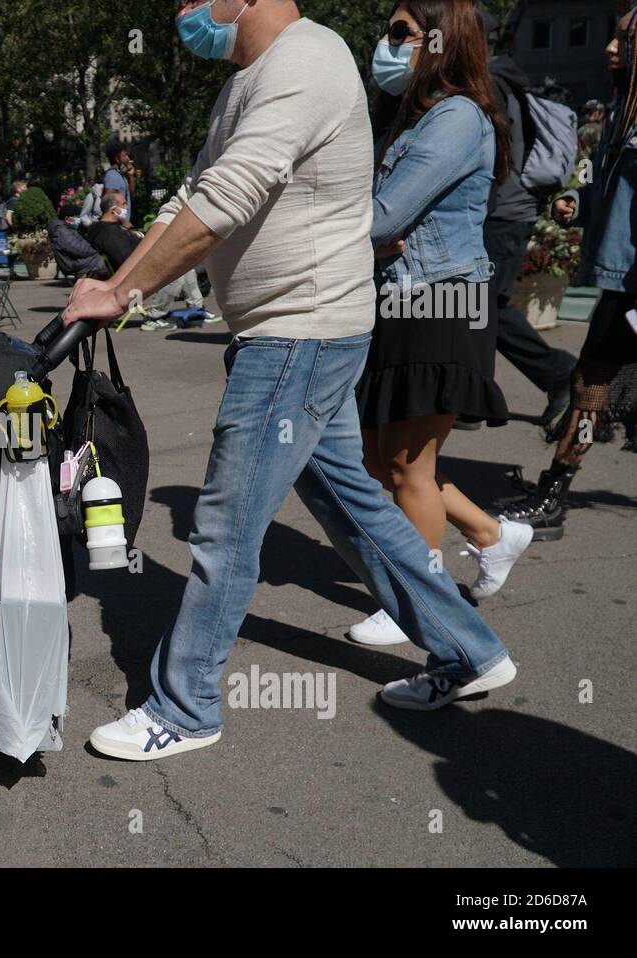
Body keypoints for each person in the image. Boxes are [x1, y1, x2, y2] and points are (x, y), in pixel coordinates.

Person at [64, 0, 516, 761]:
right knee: (354, 507)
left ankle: (186, 705)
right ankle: (470, 650)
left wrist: (122, 294)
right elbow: (193, 195)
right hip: (296, 331)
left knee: (227, 523)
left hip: (297, 331)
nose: (182, 10)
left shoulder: (307, 61)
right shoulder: (253, 75)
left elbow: (228, 199)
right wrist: (115, 281)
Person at [348, 1, 534, 646]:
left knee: (407, 466)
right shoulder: (417, 118)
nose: (386, 44)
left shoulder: (455, 118)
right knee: (384, 459)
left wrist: (361, 231)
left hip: (443, 300)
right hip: (405, 299)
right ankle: (490, 533)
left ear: (440, 39)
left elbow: (382, 215)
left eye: (400, 32)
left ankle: (416, 603)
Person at [501, 5, 637, 540]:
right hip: (622, 281)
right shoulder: (621, 111)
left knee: (589, 387)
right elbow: (614, 194)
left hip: (631, 286)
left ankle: (554, 494)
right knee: (589, 386)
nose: (609, 47)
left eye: (625, 40)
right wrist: (576, 204)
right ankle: (554, 492)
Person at [479, 28, 575, 430]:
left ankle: (560, 374)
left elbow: (489, 158)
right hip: (510, 210)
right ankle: (472, 400)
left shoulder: (491, 87)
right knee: (480, 307)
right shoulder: (507, 81)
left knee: (486, 308)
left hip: (500, 212)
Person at [87, 191, 212, 329]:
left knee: (185, 266)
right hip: (136, 270)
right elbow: (125, 259)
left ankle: (196, 308)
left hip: (144, 261)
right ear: (113, 209)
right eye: (123, 204)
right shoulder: (108, 234)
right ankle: (154, 317)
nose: (126, 207)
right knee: (176, 275)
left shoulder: (114, 228)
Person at [46, 203, 106, 279]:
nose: (79, 219)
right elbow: (77, 249)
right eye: (77, 217)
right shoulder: (61, 231)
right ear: (67, 219)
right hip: (75, 264)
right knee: (105, 262)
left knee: (106, 258)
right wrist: (95, 250)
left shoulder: (68, 228)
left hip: (80, 261)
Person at [102, 143, 136, 222]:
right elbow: (109, 204)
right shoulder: (112, 175)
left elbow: (131, 192)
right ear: (117, 158)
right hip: (117, 224)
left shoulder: (119, 174)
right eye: (125, 156)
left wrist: (130, 175)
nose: (128, 158)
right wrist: (123, 223)